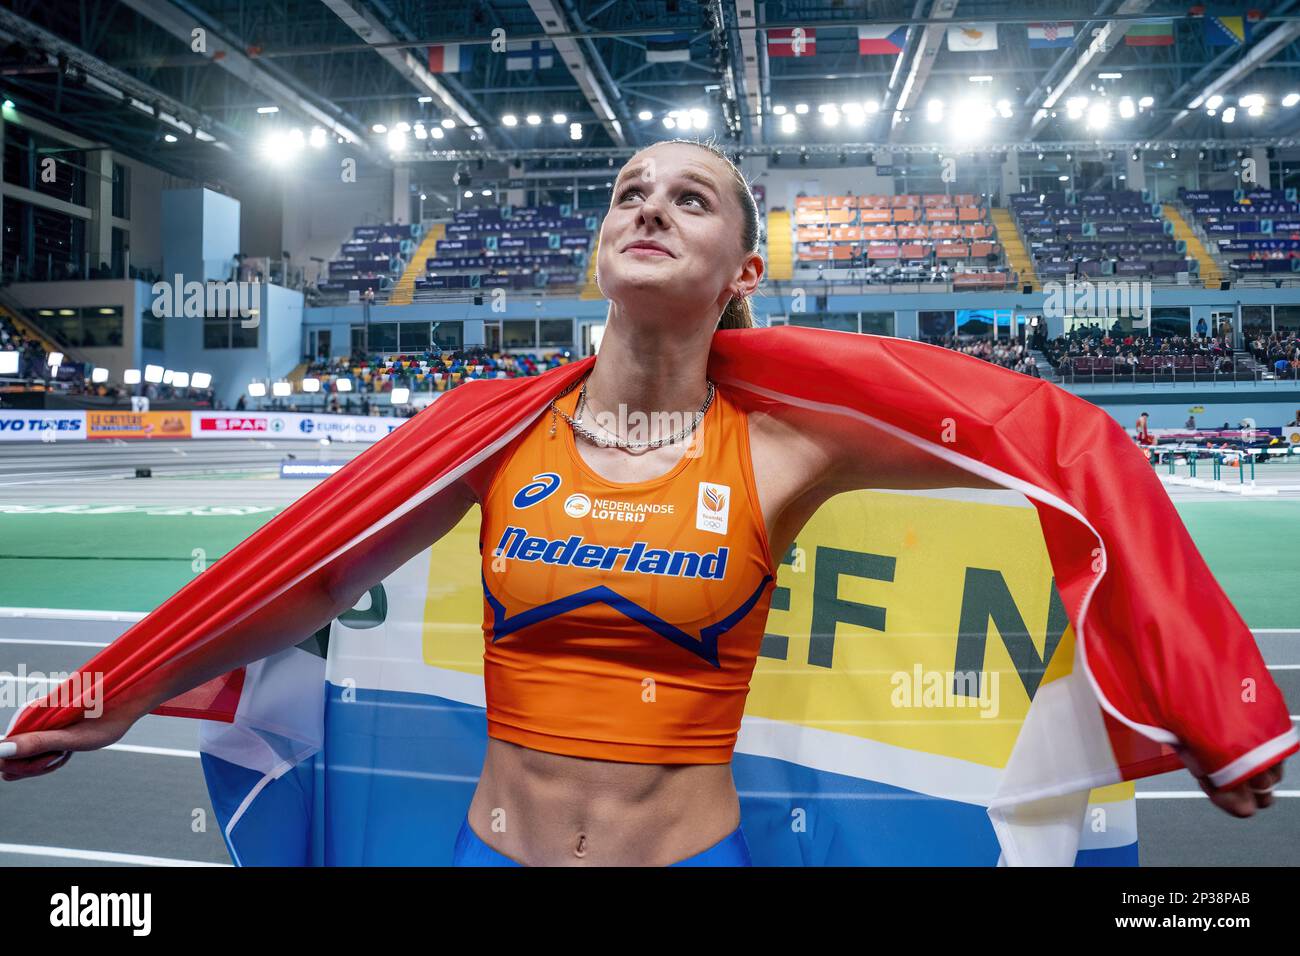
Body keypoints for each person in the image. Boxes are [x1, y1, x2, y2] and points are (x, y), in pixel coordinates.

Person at [0, 138, 1286, 862]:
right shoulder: (492, 438)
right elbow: (304, 578)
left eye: (690, 196)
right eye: (627, 191)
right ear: (599, 246)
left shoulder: (790, 450)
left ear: (744, 266)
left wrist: (1209, 703)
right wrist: (111, 695)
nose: (648, 207)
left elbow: (1052, 452)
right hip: (480, 851)